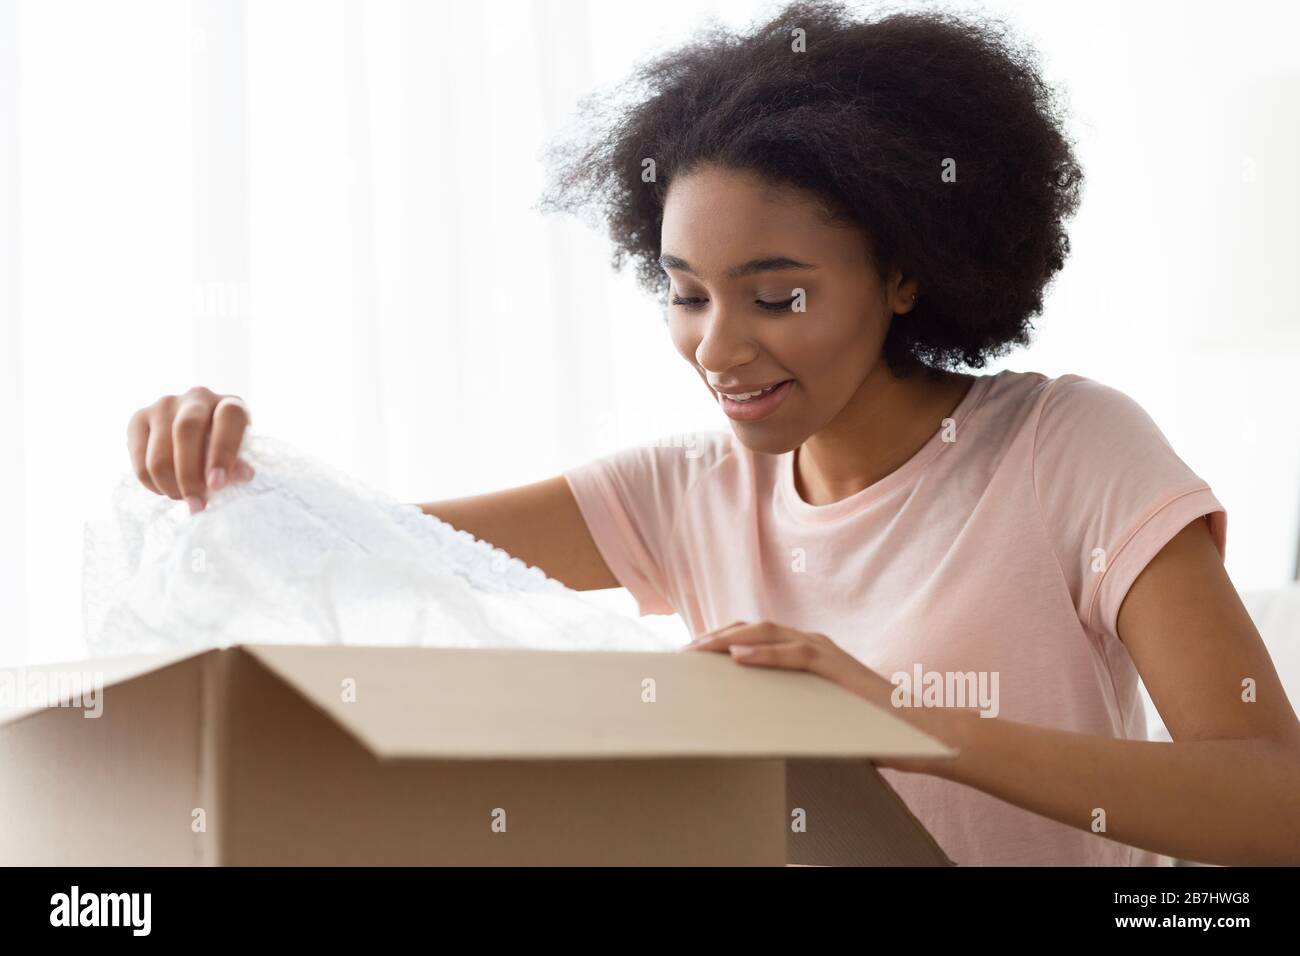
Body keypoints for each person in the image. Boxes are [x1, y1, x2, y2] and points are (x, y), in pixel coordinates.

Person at [124, 2, 1300, 865]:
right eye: (688, 292)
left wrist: (892, 717)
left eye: (776, 296)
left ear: (903, 274)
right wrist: (228, 461)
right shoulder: (682, 489)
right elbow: (365, 553)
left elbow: (1272, 798)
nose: (718, 346)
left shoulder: (1067, 448)